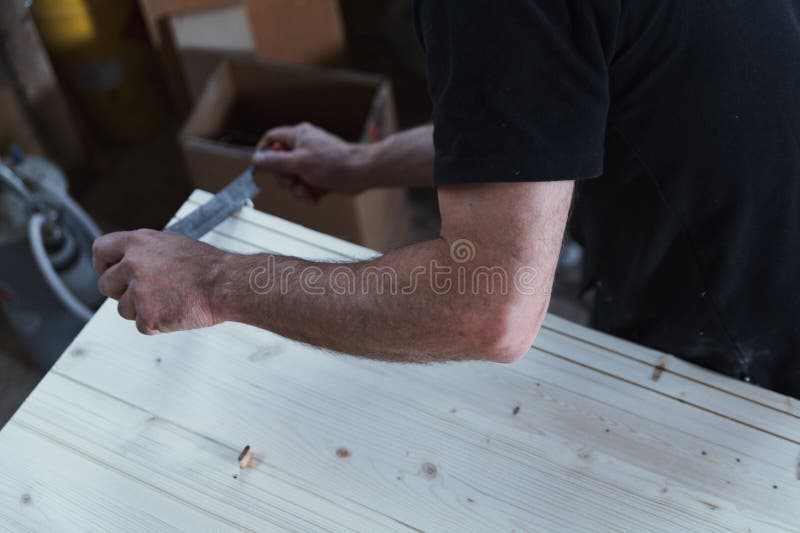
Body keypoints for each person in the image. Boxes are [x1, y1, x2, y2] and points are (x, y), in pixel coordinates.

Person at [93, 1, 800, 396]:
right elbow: (541, 126)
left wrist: (214, 280)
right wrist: (362, 164)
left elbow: (486, 303)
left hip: (758, 343)